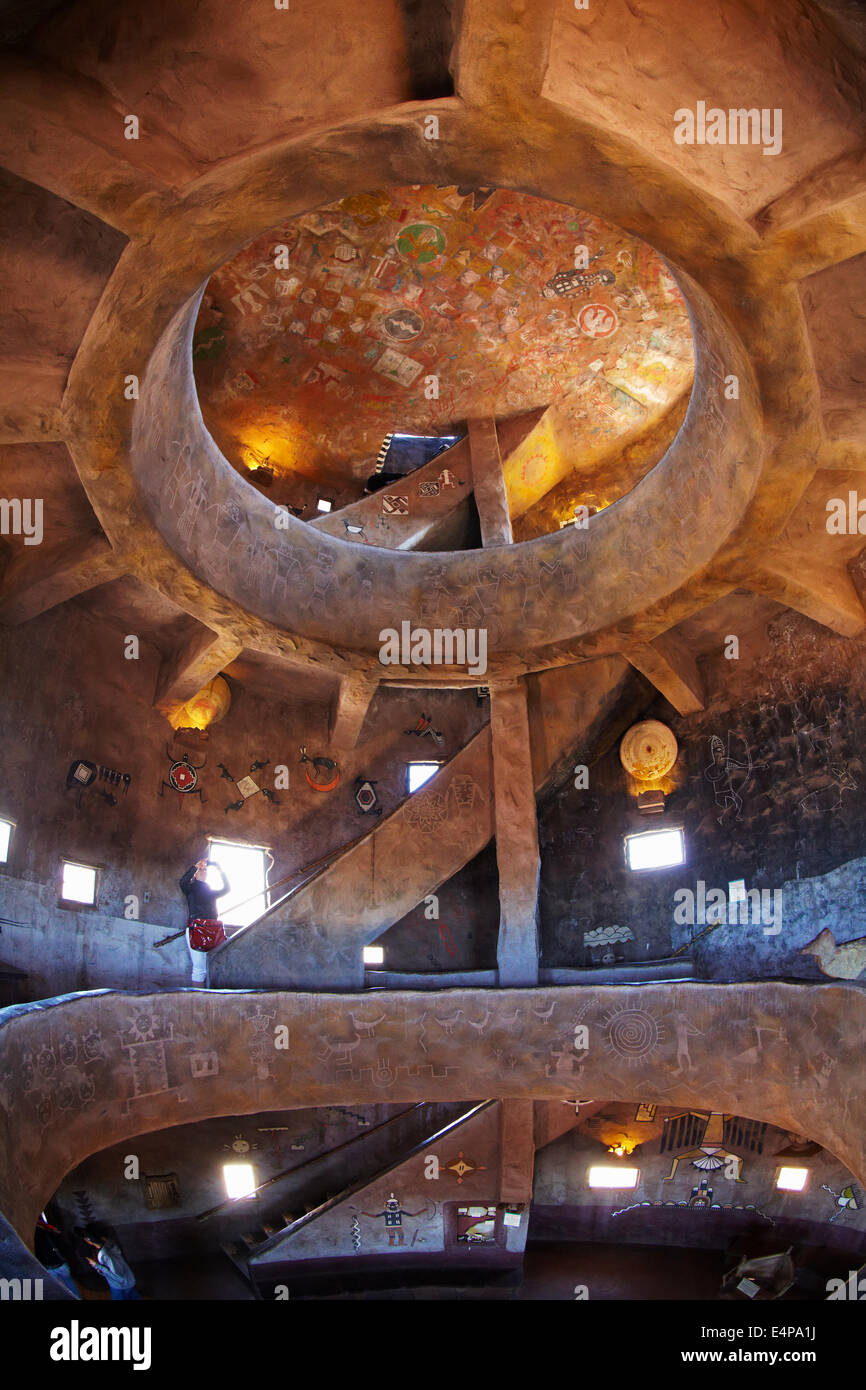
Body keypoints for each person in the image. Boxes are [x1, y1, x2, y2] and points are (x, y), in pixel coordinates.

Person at [179, 858, 230, 985]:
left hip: (212, 930)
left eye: (205, 869)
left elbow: (227, 888)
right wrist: (195, 867)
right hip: (196, 930)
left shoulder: (211, 892)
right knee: (199, 969)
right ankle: (198, 996)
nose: (203, 871)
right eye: (200, 870)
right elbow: (182, 882)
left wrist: (219, 869)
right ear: (195, 874)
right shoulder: (190, 888)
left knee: (211, 967)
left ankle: (207, 993)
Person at [35, 1217, 80, 1298]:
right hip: (61, 1263)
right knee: (69, 1283)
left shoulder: (37, 1236)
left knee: (58, 1287)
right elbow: (64, 1246)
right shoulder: (50, 1232)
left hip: (49, 1267)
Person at [84, 1236, 140, 1300]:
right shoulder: (111, 1247)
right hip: (129, 1282)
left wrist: (96, 1265)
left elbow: (118, 1277)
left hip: (119, 1287)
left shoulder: (104, 1256)